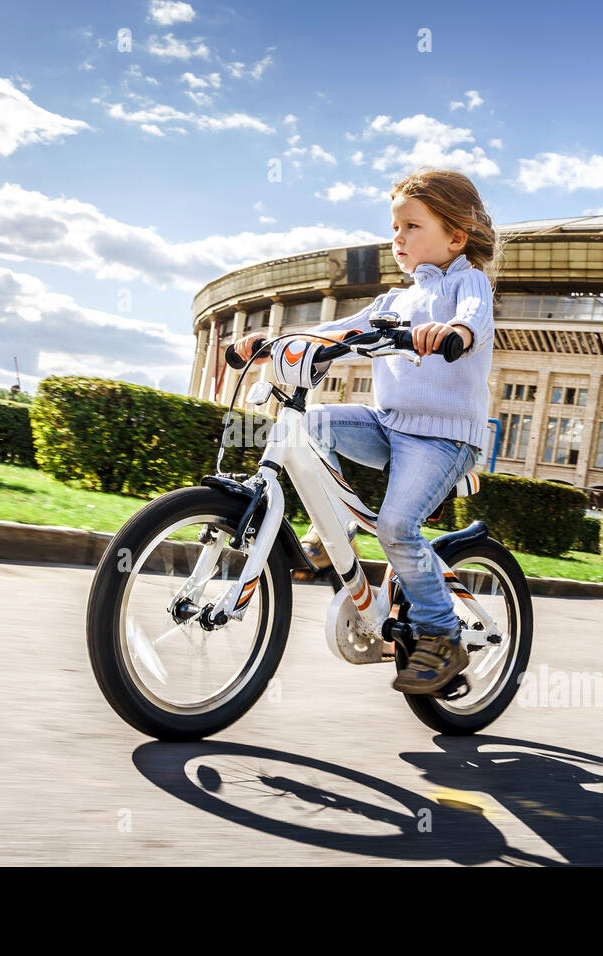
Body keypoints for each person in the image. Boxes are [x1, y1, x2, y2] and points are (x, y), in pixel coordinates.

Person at [233, 168, 498, 696]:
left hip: (444, 437)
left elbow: (474, 319)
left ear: (456, 237)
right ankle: (333, 532)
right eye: (393, 227)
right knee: (306, 426)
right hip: (389, 425)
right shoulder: (394, 303)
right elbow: (337, 330)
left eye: (411, 227)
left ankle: (443, 638)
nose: (396, 238)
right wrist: (274, 340)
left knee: (398, 530)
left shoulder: (468, 283)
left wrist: (452, 332)